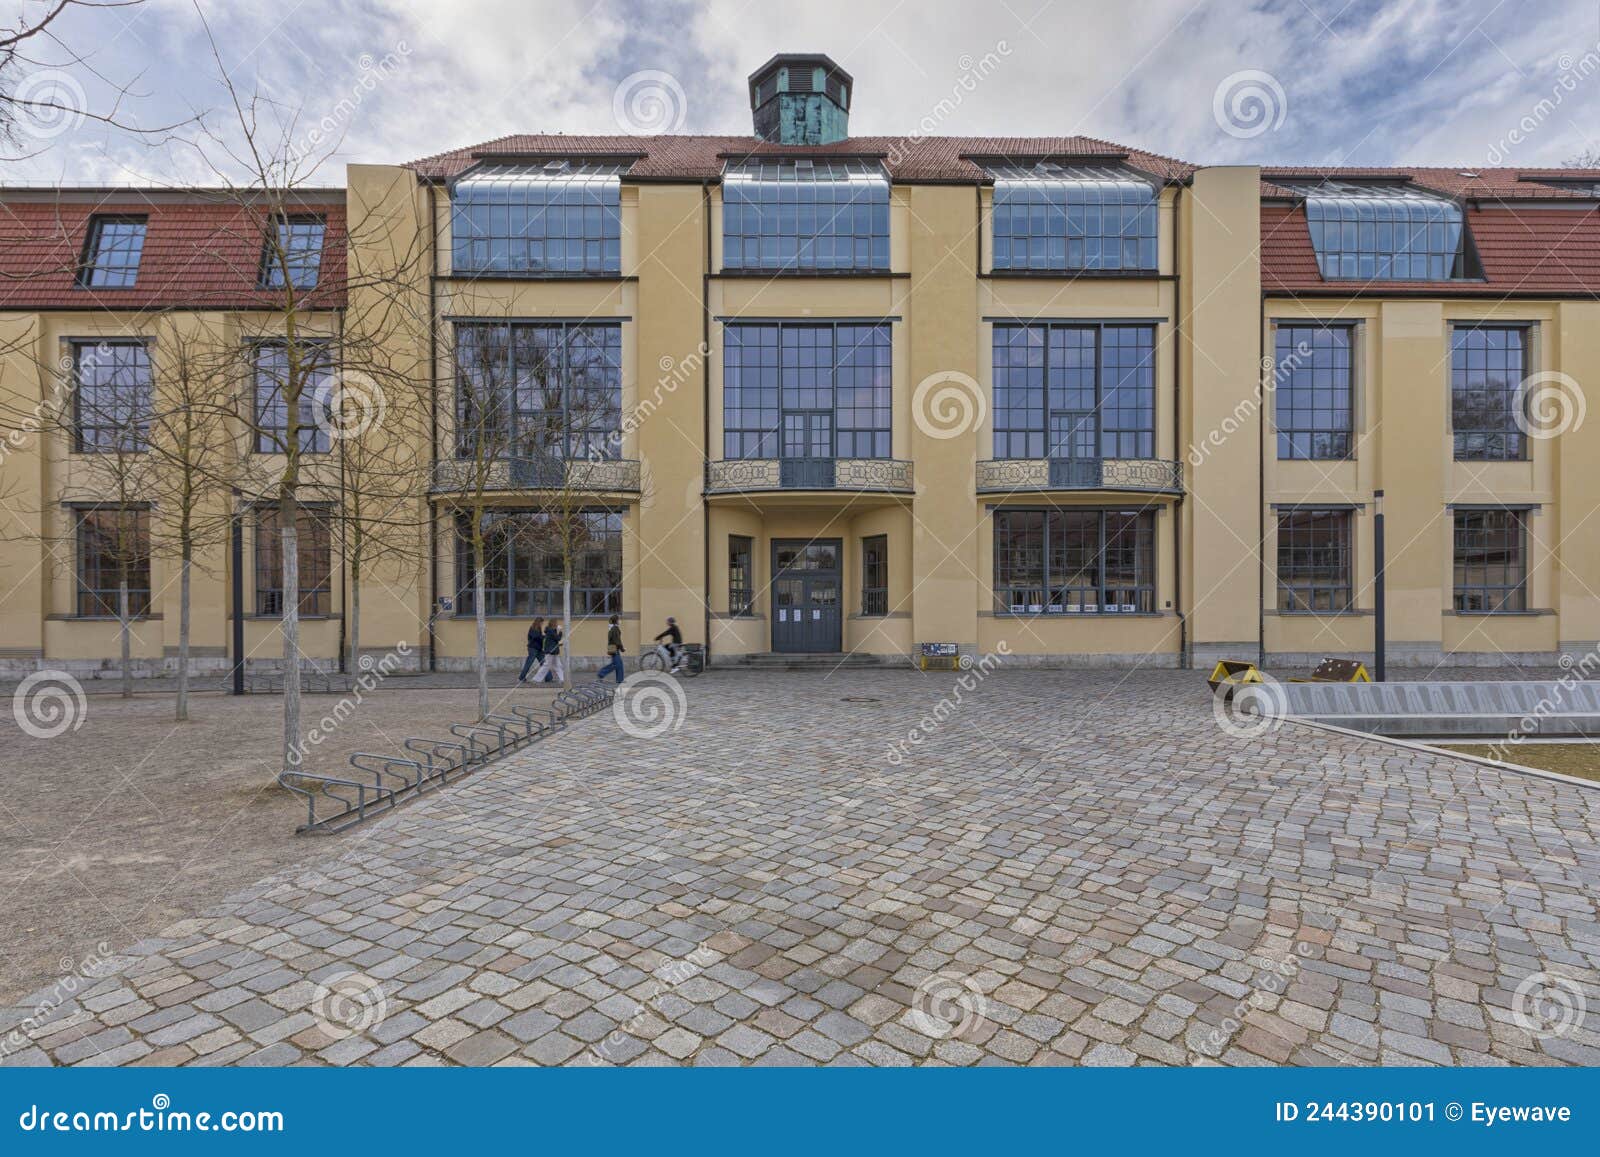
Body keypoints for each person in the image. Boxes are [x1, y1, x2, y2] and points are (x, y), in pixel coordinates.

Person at [596, 614, 625, 683]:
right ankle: (601, 673)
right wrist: (622, 648)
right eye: (619, 619)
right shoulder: (615, 629)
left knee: (619, 664)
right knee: (616, 664)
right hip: (614, 648)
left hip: (613, 647)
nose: (620, 621)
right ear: (616, 620)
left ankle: (620, 679)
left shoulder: (613, 628)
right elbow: (617, 641)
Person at [517, 617, 544, 683]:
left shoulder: (538, 628)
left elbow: (539, 637)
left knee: (544, 663)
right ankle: (521, 677)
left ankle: (549, 678)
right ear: (539, 622)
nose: (542, 624)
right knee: (529, 663)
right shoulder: (533, 628)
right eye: (541, 622)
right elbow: (536, 637)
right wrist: (544, 637)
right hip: (533, 648)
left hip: (538, 648)